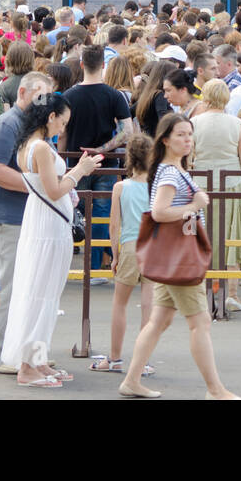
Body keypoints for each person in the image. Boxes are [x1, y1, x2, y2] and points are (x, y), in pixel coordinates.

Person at [118, 113, 240, 400]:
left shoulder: (167, 169)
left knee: (159, 321)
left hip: (171, 256)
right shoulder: (171, 172)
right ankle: (215, 389)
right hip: (180, 257)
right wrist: (194, 205)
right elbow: (159, 213)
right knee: (200, 323)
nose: (187, 139)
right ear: (165, 140)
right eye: (181, 135)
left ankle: (132, 380)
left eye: (189, 134)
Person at [0, 95, 102, 388]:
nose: (63, 127)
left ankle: (37, 360)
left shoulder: (29, 145)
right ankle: (28, 366)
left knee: (43, 295)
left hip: (45, 221)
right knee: (40, 295)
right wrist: (80, 171)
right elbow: (55, 190)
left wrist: (75, 171)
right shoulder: (41, 147)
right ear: (51, 117)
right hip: (48, 223)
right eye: (62, 121)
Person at [0, 70, 55, 371]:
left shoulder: (32, 127)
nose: (43, 102)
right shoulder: (7, 124)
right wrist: (39, 185)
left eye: (47, 96)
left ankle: (25, 355)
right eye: (39, 95)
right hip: (7, 217)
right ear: (22, 92)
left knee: (30, 289)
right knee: (8, 287)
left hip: (28, 216)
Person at [61, 44, 133, 276]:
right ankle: (96, 269)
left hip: (77, 163)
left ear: (82, 65)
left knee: (76, 211)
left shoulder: (69, 96)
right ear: (103, 65)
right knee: (102, 215)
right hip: (106, 163)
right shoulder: (114, 95)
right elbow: (127, 132)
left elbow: (62, 133)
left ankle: (80, 266)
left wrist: (63, 162)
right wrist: (102, 150)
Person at [90, 135, 155, 377]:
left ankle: (115, 358)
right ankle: (144, 362)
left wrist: (114, 256)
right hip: (153, 247)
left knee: (120, 304)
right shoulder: (157, 186)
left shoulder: (120, 187)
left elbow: (114, 226)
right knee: (148, 305)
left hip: (129, 245)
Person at [191, 79, 241, 310]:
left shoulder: (194, 122)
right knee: (232, 239)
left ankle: (201, 291)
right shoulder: (236, 123)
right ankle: (232, 294)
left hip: (201, 184)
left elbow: (189, 158)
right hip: (232, 182)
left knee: (203, 237)